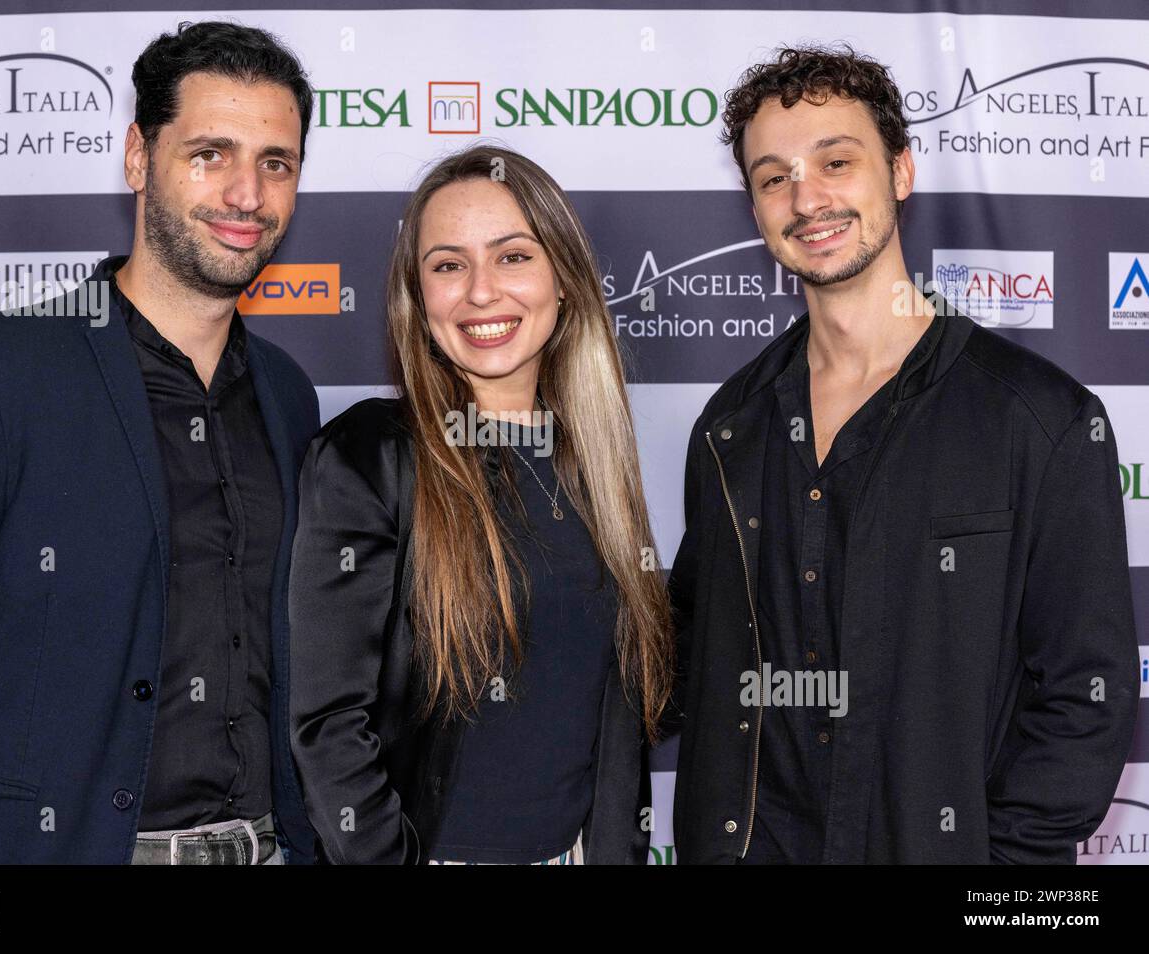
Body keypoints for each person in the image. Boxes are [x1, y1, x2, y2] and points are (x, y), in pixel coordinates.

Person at [0, 21, 321, 865]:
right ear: (139, 157)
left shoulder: (289, 396)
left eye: (275, 162)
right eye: (210, 153)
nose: (247, 194)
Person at [668, 44, 1139, 864]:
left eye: (836, 161)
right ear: (754, 208)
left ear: (902, 171)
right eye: (773, 177)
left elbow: (1084, 700)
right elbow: (693, 651)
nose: (806, 197)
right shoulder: (730, 426)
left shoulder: (1041, 419)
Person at [288, 145, 673, 864]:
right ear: (418, 297)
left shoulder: (592, 463)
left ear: (565, 280)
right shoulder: (371, 457)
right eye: (447, 264)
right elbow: (329, 724)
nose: (481, 291)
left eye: (513, 257)